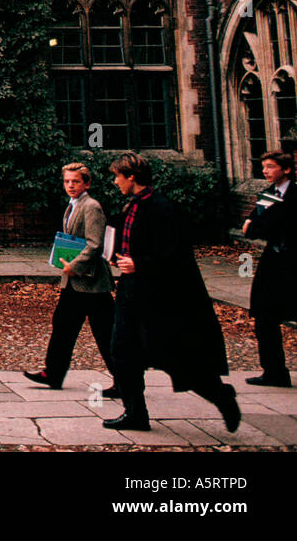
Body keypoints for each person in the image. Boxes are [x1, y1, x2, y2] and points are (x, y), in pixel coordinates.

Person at [103, 152, 239, 433]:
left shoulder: (162, 208)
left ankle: (221, 395)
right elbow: (129, 241)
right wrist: (117, 256)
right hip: (131, 292)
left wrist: (139, 263)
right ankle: (135, 414)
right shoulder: (133, 206)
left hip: (158, 297)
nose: (115, 182)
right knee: (122, 351)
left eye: (118, 176)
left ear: (131, 176)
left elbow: (174, 254)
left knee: (174, 358)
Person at [23, 163, 118, 396]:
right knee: (63, 326)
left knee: (106, 334)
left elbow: (95, 244)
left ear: (87, 183)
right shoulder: (73, 206)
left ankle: (125, 379)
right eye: (67, 181)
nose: (70, 186)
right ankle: (53, 373)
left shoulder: (91, 207)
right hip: (75, 283)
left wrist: (74, 266)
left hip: (92, 284)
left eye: (75, 181)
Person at [242, 150, 295, 387]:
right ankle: (274, 371)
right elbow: (250, 229)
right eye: (263, 166)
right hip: (274, 260)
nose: (265, 171)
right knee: (264, 315)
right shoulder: (267, 195)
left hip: (293, 260)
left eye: (271, 166)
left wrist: (265, 223)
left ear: (286, 169)